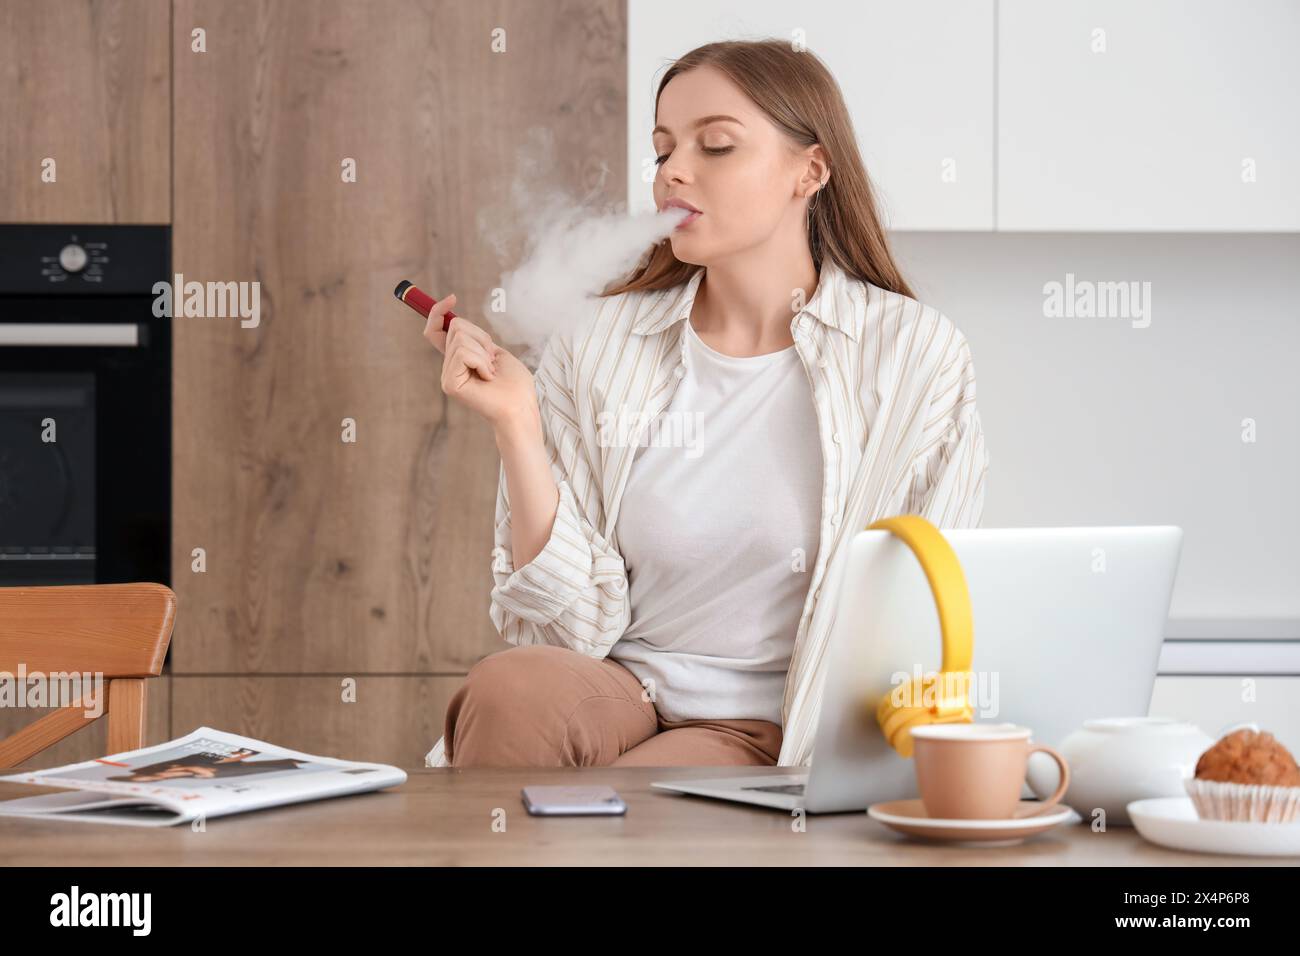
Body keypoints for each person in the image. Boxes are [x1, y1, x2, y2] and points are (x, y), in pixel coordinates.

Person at [422, 39, 989, 768]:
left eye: (716, 146)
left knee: (628, 809)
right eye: (662, 152)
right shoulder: (596, 343)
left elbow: (928, 599)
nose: (673, 173)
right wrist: (517, 425)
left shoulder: (913, 354)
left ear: (810, 170)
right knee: (510, 691)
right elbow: (570, 632)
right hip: (623, 686)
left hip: (765, 725)